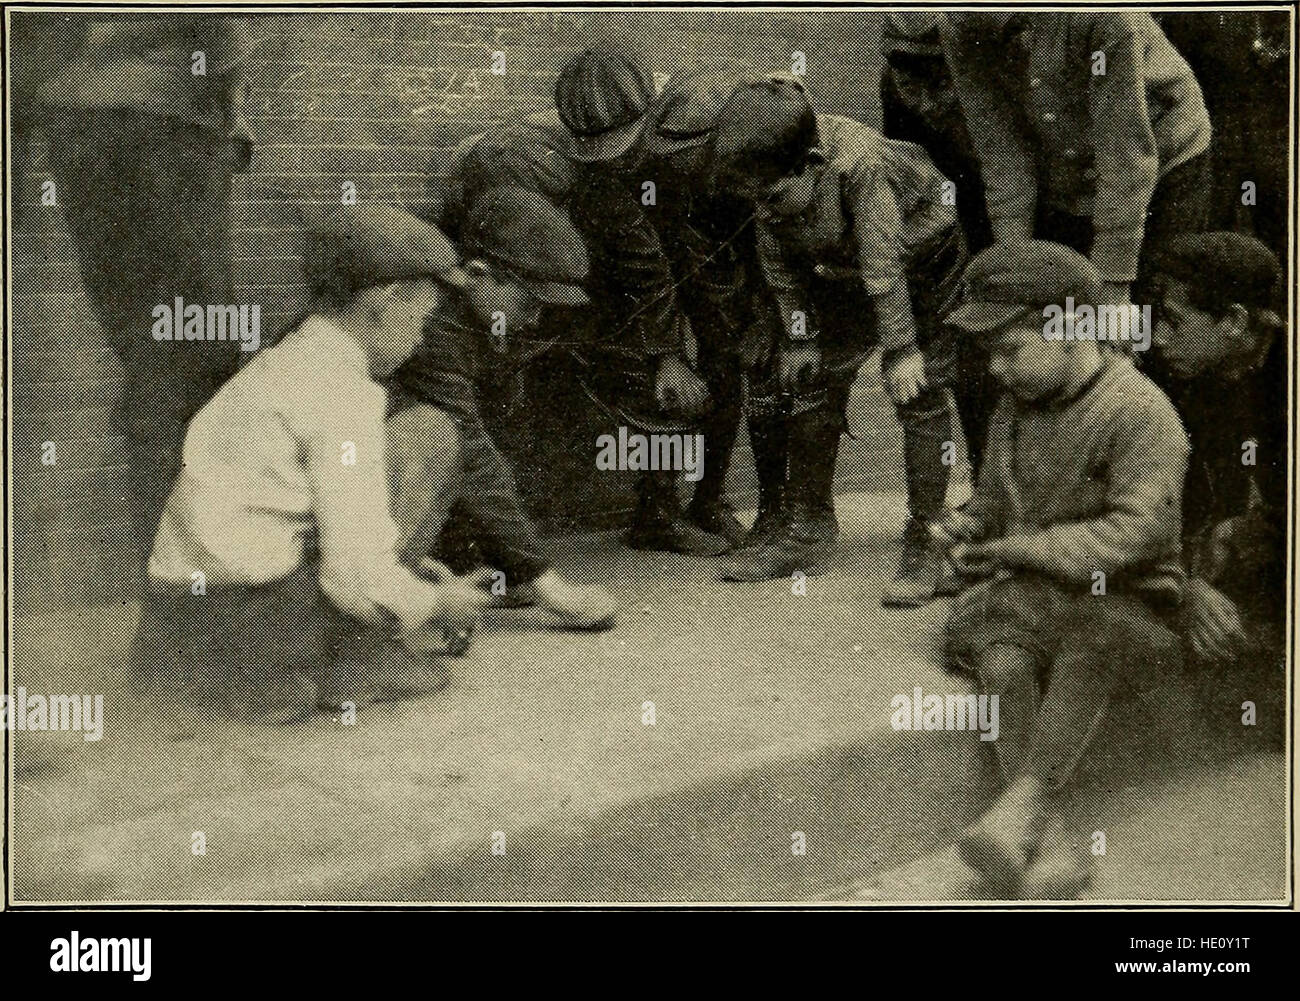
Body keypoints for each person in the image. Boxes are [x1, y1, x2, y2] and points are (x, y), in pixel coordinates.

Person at [132, 205, 490, 728]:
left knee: (399, 454)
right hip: (256, 629)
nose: (418, 339)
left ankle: (246, 673)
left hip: (174, 620)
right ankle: (347, 665)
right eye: (421, 318)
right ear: (385, 304)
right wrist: (439, 602)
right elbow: (353, 577)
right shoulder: (344, 394)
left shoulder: (285, 359)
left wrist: (404, 574)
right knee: (429, 434)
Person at [936, 241, 1189, 897]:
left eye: (1011, 348)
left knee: (1093, 640)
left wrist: (1022, 549)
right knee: (1002, 659)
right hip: (1033, 599)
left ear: (1073, 326)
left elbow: (1139, 530)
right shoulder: (1015, 409)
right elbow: (997, 497)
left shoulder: (1138, 411)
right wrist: (971, 525)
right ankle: (1047, 841)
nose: (996, 368)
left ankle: (1025, 808)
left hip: (1125, 600)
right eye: (989, 353)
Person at [437, 62, 733, 556]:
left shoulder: (602, 184)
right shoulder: (483, 173)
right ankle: (469, 539)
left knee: (655, 386)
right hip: (492, 289)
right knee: (480, 404)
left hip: (582, 287)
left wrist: (666, 356)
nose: (613, 158)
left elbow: (645, 267)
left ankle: (659, 513)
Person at [709, 76, 971, 606]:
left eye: (775, 195)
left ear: (812, 165)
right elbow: (779, 264)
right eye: (754, 199)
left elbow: (884, 263)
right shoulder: (772, 186)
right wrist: (801, 335)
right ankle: (808, 526)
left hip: (921, 264)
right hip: (844, 269)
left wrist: (901, 350)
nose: (765, 209)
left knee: (919, 393)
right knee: (815, 378)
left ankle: (928, 538)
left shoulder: (861, 167)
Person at [36, 13, 257, 568]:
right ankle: (188, 603)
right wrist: (231, 115)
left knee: (157, 359)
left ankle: (170, 594)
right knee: (201, 355)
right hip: (168, 114)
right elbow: (222, 33)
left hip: (76, 116)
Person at [552, 48, 757, 553]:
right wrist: (666, 357)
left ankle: (709, 499)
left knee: (726, 364)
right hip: (629, 281)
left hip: (701, 252)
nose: (619, 158)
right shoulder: (598, 185)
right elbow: (644, 269)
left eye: (626, 144)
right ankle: (657, 514)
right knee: (656, 387)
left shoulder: (693, 119)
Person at [390, 185, 619, 630]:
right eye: (528, 300)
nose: (534, 318)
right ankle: (379, 615)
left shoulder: (469, 311)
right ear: (479, 273)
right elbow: (472, 453)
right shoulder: (429, 324)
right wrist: (543, 579)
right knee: (435, 435)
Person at [942, 12, 1213, 305]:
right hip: (1068, 172)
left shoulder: (1105, 17)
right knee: (1064, 314)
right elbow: (1003, 154)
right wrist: (1015, 263)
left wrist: (1114, 286)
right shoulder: (958, 23)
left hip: (1158, 155)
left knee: (1148, 314)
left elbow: (1125, 156)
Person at [1149, 233, 1286, 744]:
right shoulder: (1185, 376)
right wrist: (1187, 584)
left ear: (1232, 321)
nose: (1158, 337)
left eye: (1174, 321)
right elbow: (1165, 498)